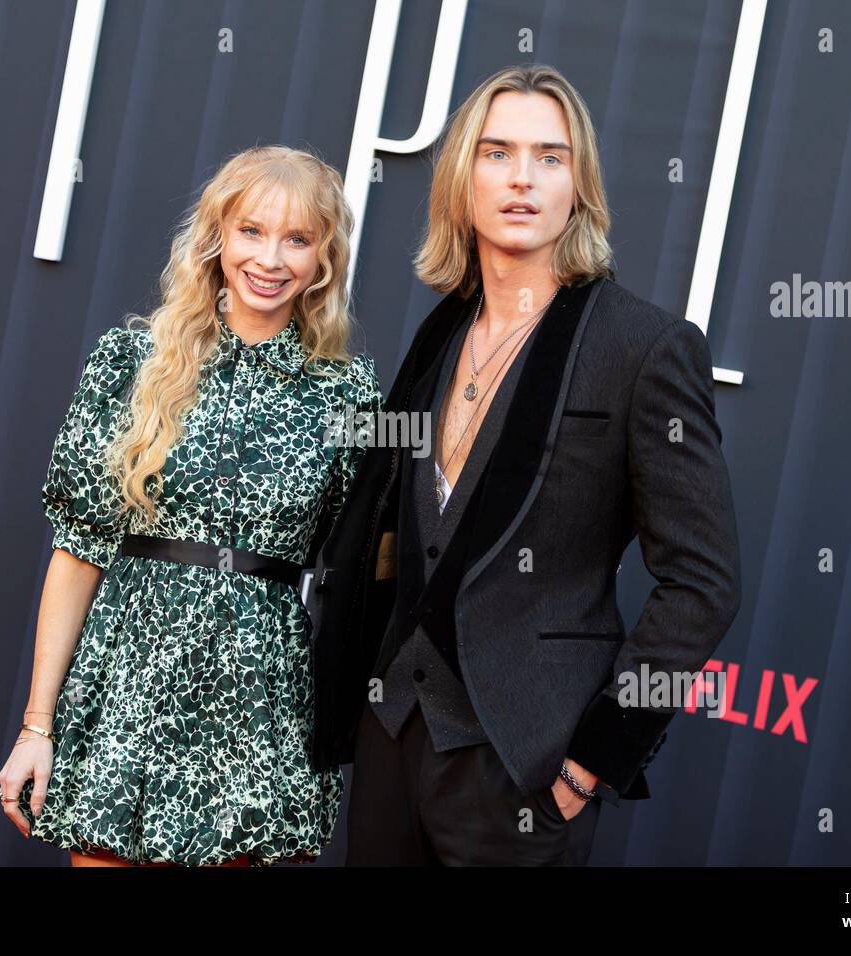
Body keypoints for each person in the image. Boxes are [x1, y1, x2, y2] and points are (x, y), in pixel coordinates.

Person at [309, 64, 742, 865]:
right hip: (391, 734)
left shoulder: (644, 348)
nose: (522, 179)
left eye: (551, 156)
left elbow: (704, 580)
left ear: (580, 185)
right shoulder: (440, 332)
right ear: (461, 177)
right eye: (498, 152)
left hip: (527, 765)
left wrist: (594, 761)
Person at [0, 145, 382, 866]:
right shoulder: (129, 361)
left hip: (263, 699)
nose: (270, 258)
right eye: (251, 231)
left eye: (298, 239)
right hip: (130, 676)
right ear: (216, 237)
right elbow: (78, 552)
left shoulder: (348, 393)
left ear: (325, 258)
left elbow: (368, 564)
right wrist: (36, 729)